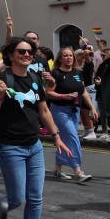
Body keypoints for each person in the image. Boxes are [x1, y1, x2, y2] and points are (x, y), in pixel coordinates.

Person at [0, 37, 71, 219]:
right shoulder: (2, 79)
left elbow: (43, 110)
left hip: (34, 145)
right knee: (16, 198)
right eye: (21, 51)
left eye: (29, 52)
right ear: (11, 55)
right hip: (10, 146)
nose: (26, 55)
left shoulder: (34, 78)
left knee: (36, 197)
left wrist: (56, 136)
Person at [46, 47, 97, 182]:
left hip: (75, 110)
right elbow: (48, 92)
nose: (68, 58)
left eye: (70, 55)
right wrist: (65, 96)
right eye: (65, 56)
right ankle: (78, 171)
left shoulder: (77, 73)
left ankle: (57, 169)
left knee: (65, 138)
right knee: (73, 138)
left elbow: (84, 91)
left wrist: (92, 107)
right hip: (60, 111)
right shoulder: (55, 73)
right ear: (60, 58)